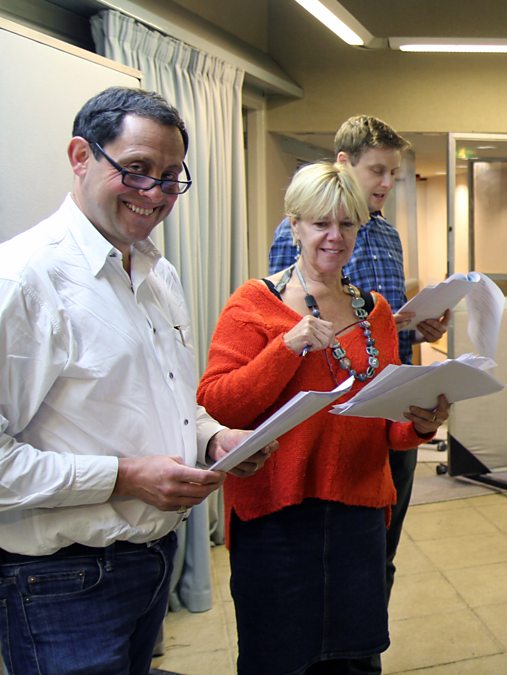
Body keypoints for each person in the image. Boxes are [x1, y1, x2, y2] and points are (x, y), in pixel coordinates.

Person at [0, 86, 273, 675]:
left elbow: (171, 400)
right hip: (61, 579)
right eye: (136, 169)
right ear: (80, 156)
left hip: (151, 558)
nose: (155, 193)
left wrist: (213, 439)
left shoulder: (156, 272)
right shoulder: (22, 282)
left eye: (172, 176)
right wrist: (123, 477)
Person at [198, 161, 450, 674]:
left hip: (358, 516)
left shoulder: (374, 310)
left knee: (355, 661)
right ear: (294, 227)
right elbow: (218, 401)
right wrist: (286, 348)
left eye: (347, 224)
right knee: (280, 660)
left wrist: (421, 423)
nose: (335, 236)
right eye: (321, 224)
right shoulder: (254, 304)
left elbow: (387, 426)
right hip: (277, 516)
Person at [267, 115, 447, 605]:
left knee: (382, 543)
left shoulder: (387, 235)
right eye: (377, 171)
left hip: (396, 407)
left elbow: (382, 319)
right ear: (344, 164)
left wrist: (421, 323)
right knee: (331, 547)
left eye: (394, 173)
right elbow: (286, 321)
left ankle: (367, 639)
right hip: (337, 411)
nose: (387, 183)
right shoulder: (301, 233)